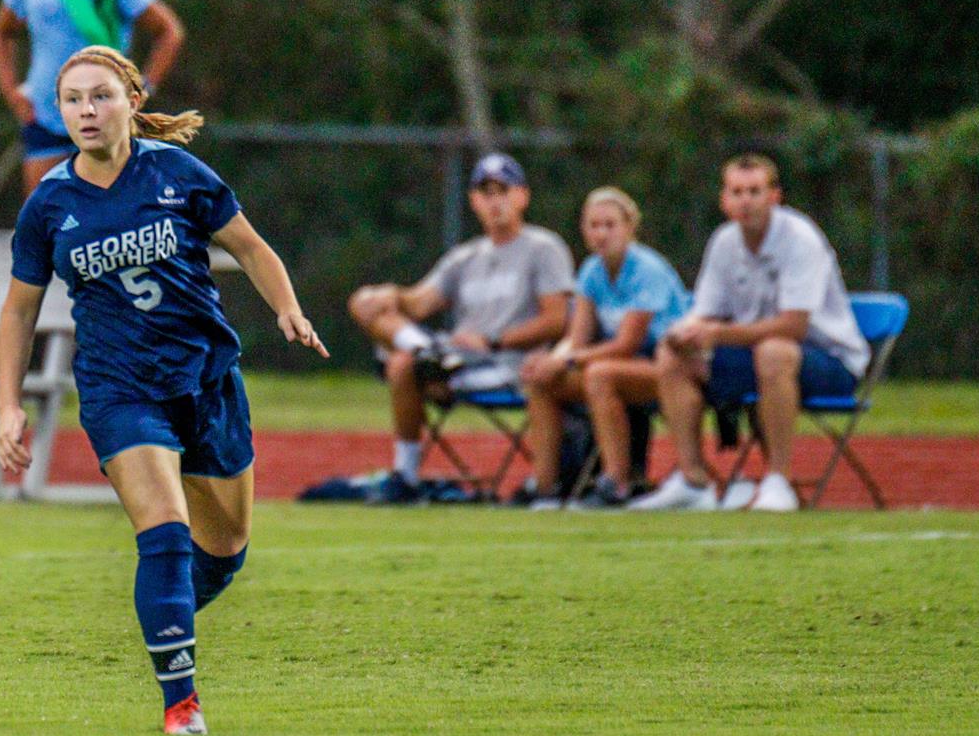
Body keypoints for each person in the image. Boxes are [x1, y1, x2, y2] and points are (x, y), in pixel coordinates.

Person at [0, 45, 326, 736]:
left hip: (206, 377)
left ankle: (164, 613)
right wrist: (7, 405)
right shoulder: (49, 202)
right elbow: (19, 310)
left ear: (132, 100)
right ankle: (182, 702)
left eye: (101, 96)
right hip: (121, 389)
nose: (87, 110)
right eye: (73, 99)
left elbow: (252, 247)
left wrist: (286, 307)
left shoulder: (178, 172)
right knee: (165, 532)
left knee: (227, 547)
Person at [630, 154, 869, 513]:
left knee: (775, 350)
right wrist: (684, 333)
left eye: (755, 191)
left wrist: (717, 335)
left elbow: (794, 326)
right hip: (758, 357)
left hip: (828, 361)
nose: (745, 200)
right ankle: (693, 480)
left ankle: (778, 482)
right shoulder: (724, 242)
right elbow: (705, 313)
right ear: (724, 200)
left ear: (775, 196)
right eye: (737, 192)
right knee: (672, 353)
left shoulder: (800, 239)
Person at [344, 153, 573, 502]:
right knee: (384, 329)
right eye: (486, 192)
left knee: (407, 360)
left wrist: (493, 341)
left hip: (511, 365)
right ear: (473, 201)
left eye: (503, 190)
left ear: (522, 195)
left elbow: (557, 319)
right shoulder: (465, 257)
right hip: (457, 362)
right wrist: (385, 295)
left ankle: (427, 352)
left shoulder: (543, 248)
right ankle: (406, 474)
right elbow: (418, 303)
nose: (495, 201)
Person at [0, 0, 186, 198]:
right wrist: (10, 89)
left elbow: (169, 31)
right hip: (46, 112)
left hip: (108, 113)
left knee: (112, 210)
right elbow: (1, 32)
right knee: (45, 213)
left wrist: (146, 87)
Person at [516, 187, 689, 509]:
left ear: (629, 228)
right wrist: (552, 360)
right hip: (624, 367)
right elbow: (577, 337)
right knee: (541, 380)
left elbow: (627, 344)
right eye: (594, 226)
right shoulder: (591, 271)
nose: (602, 233)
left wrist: (567, 360)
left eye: (610, 225)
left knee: (600, 374)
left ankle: (616, 483)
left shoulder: (646, 269)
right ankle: (546, 488)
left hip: (672, 370)